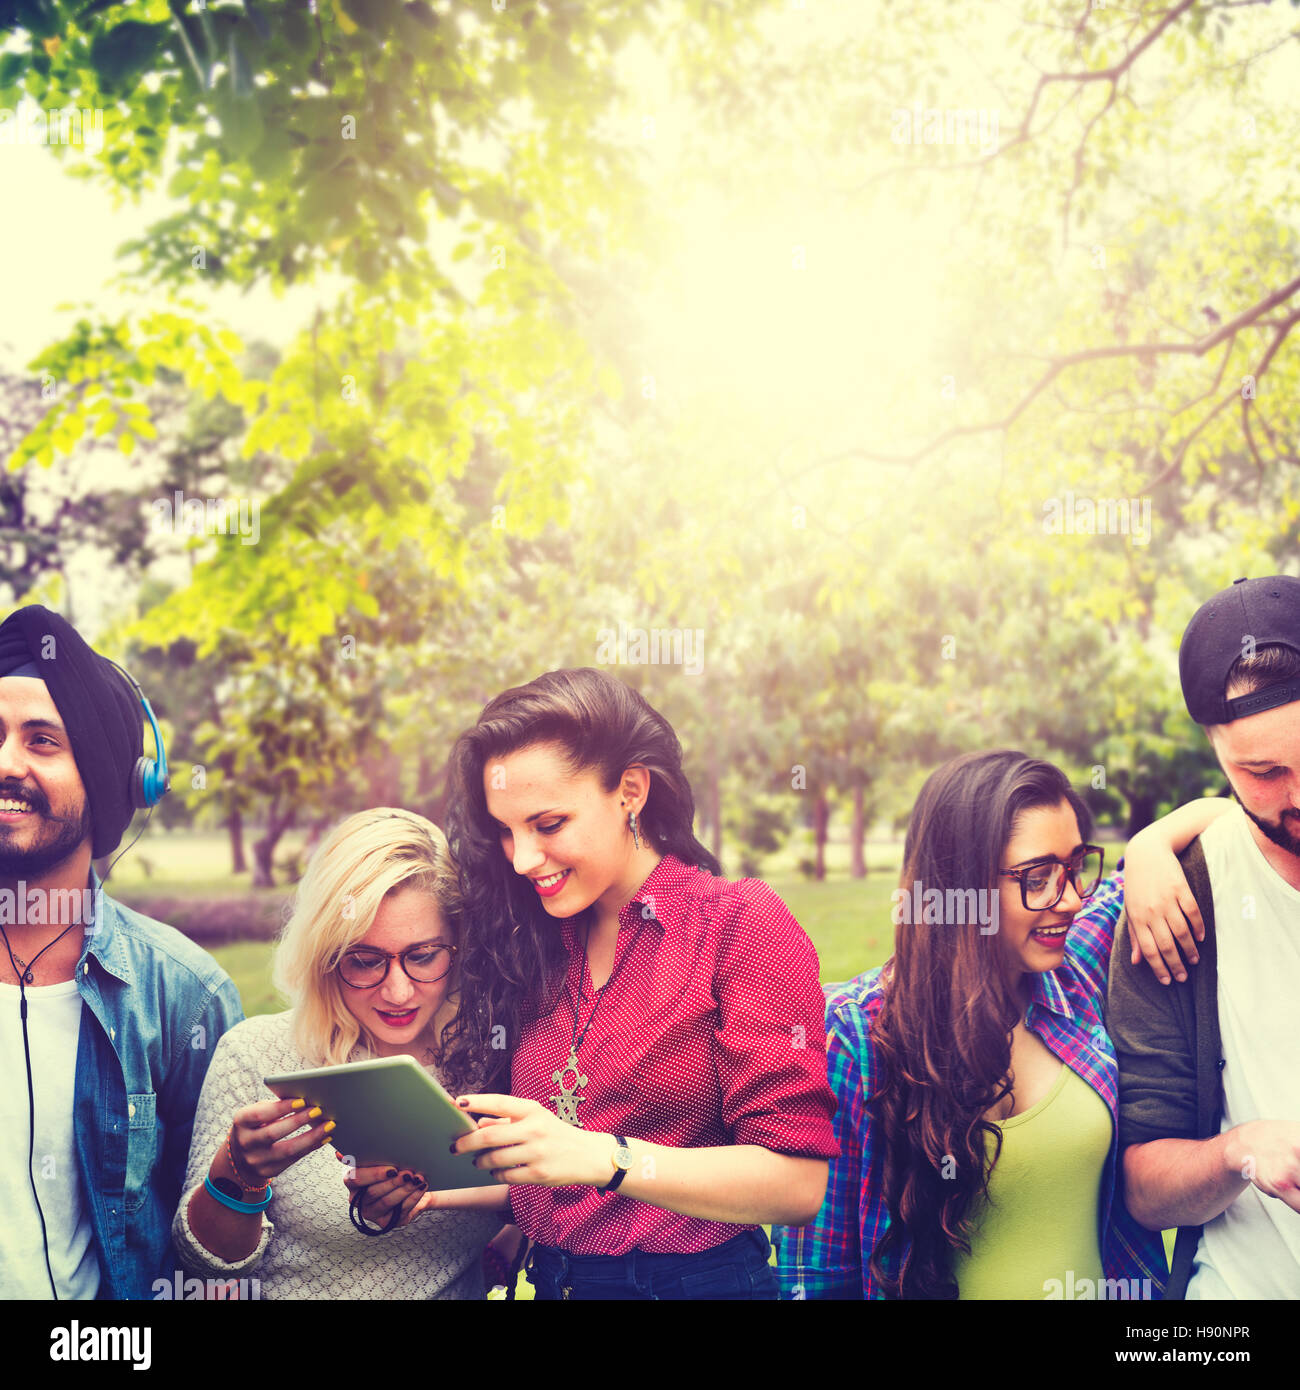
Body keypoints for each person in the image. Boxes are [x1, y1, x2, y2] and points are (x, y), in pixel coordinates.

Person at [348, 667, 839, 1300]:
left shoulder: (738, 926)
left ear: (631, 790)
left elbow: (796, 1185)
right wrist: (432, 1189)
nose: (522, 859)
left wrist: (607, 1157)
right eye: (505, 830)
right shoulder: (539, 940)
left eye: (548, 825)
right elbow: (569, 1175)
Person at [773, 749, 1199, 1299]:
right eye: (1038, 875)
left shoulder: (1076, 971)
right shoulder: (858, 1036)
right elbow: (817, 1277)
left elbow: (1222, 815)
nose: (1068, 898)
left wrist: (1148, 846)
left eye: (1074, 866)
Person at [0, 603, 243, 1300]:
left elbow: (218, 1247)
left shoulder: (183, 995)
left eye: (41, 741)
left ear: (110, 780)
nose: (6, 761)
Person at [172, 807, 513, 1297]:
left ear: (459, 944)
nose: (398, 992)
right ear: (326, 956)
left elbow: (554, 1199)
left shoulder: (495, 1057)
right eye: (364, 960)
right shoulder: (258, 1054)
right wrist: (239, 1177)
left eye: (422, 956)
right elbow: (207, 1267)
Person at [1110, 575, 1300, 1299]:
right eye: (1264, 773)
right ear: (1218, 756)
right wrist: (1241, 1153)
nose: (1298, 794)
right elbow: (1146, 1188)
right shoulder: (1179, 902)